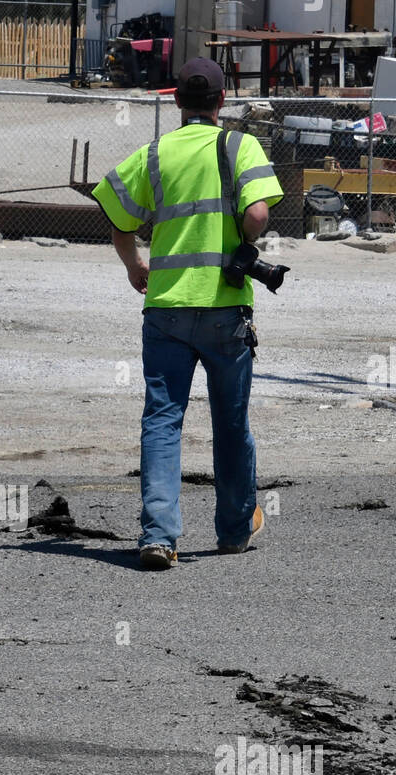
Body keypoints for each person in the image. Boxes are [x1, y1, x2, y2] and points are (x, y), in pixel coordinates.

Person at [92, 58, 284, 570]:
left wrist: (135, 264)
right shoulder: (240, 146)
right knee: (230, 421)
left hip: (167, 310)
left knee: (161, 420)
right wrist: (245, 237)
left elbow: (116, 215)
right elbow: (259, 213)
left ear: (176, 101)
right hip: (226, 309)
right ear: (222, 102)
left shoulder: (154, 154)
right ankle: (235, 529)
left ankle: (158, 536)